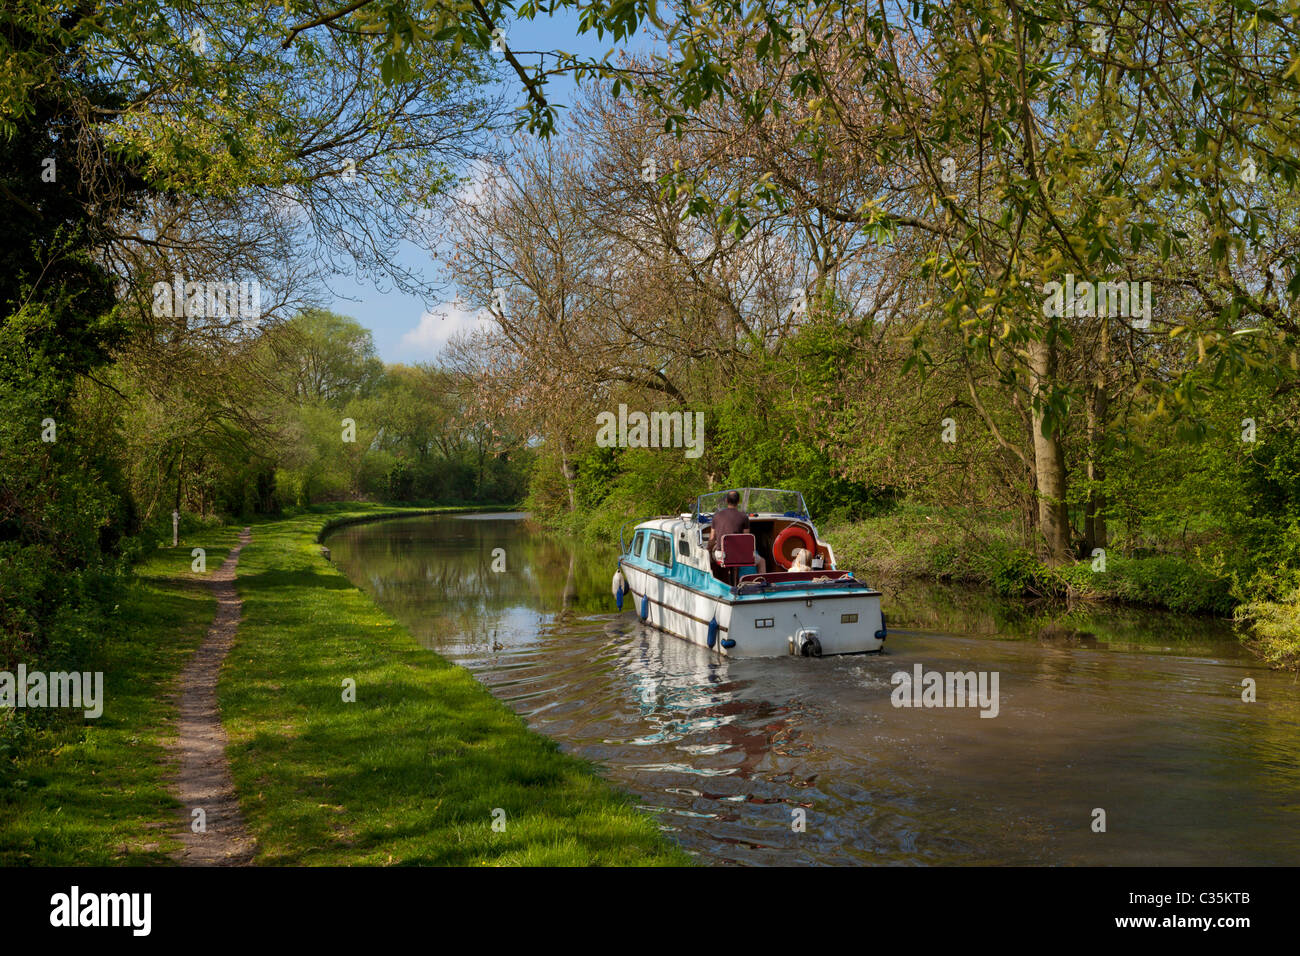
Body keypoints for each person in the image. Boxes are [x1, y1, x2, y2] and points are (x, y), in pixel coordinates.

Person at [708, 491, 767, 574]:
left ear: (726, 501)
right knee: (762, 561)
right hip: (739, 554)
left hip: (722, 556)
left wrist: (708, 549)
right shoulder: (743, 517)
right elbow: (746, 539)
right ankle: (762, 584)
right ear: (739, 501)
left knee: (709, 557)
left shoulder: (716, 516)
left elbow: (711, 539)